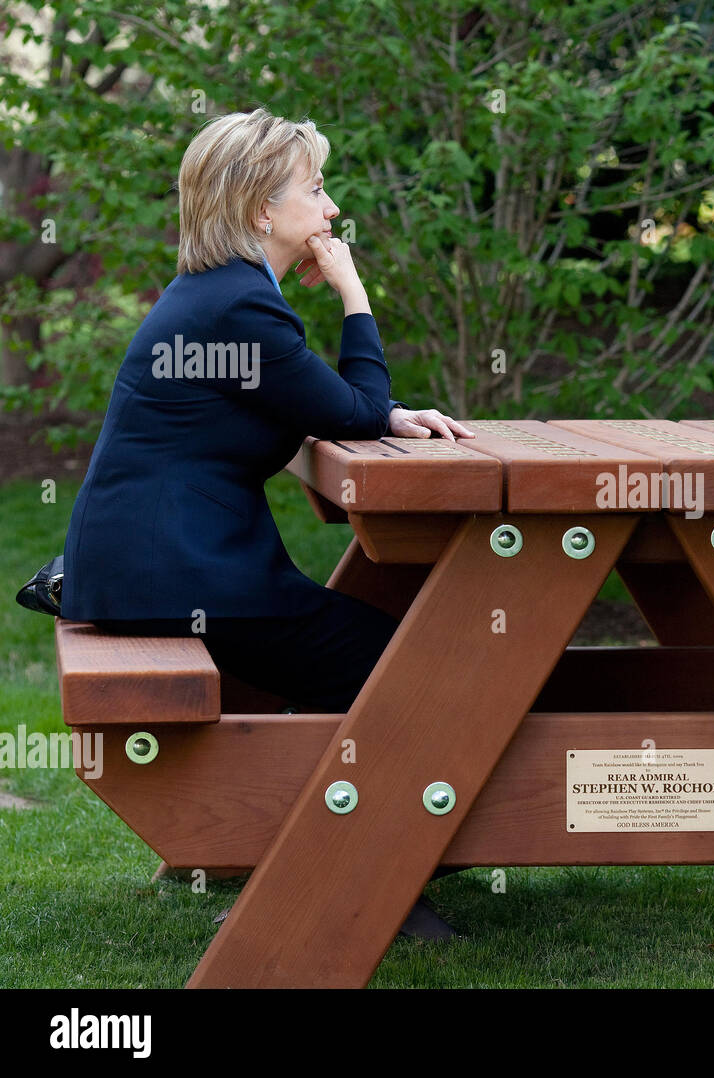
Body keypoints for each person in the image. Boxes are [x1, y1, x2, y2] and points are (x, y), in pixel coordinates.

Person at [58, 108, 470, 938]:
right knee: (408, 666)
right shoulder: (241, 306)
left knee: (380, 655)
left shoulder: (219, 297)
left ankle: (324, 841)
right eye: (315, 191)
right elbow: (350, 413)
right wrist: (354, 294)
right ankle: (368, 872)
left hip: (155, 568)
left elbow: (334, 408)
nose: (330, 212)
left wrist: (380, 413)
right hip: (183, 577)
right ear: (259, 213)